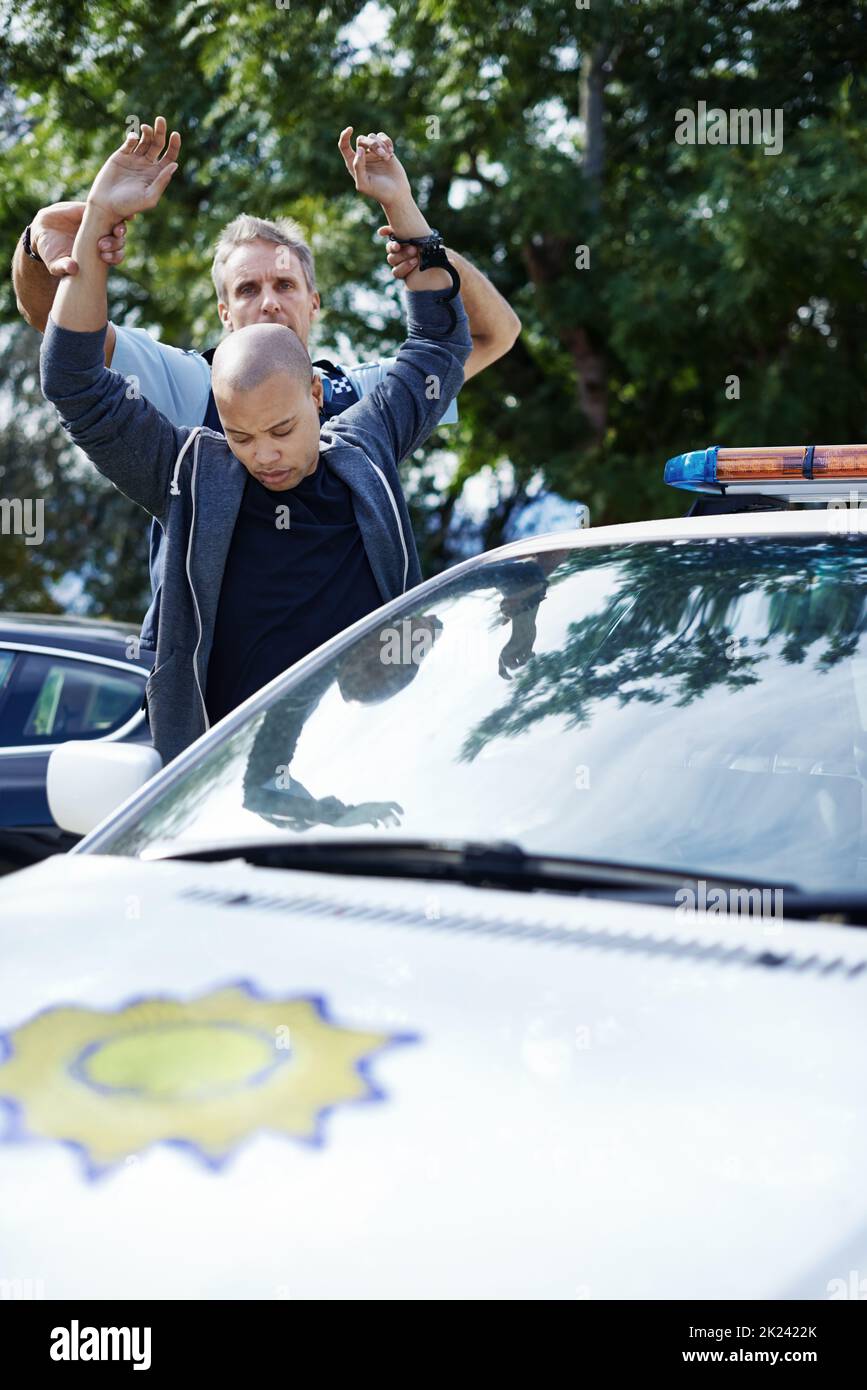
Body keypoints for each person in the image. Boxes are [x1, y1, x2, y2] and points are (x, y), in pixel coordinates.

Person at [40, 117, 473, 767]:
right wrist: (99, 215)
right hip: (223, 769)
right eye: (240, 435)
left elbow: (441, 344)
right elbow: (74, 381)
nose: (263, 455)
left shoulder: (367, 439)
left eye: (281, 431)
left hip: (374, 752)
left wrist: (399, 206)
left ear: (317, 398)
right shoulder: (185, 473)